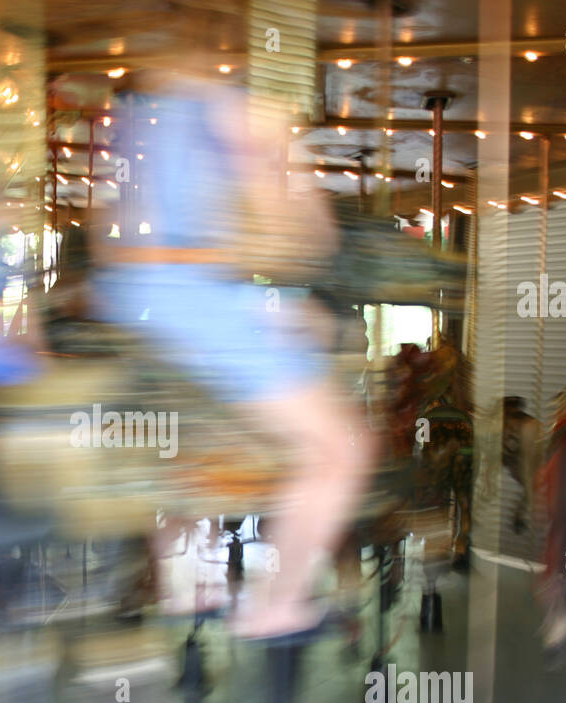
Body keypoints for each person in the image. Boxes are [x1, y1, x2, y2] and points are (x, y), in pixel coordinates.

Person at [91, 49, 375, 645]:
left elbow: (117, 229)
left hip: (139, 302)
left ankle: (188, 573)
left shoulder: (145, 109)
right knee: (341, 449)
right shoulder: (235, 112)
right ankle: (276, 603)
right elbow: (279, 239)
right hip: (193, 303)